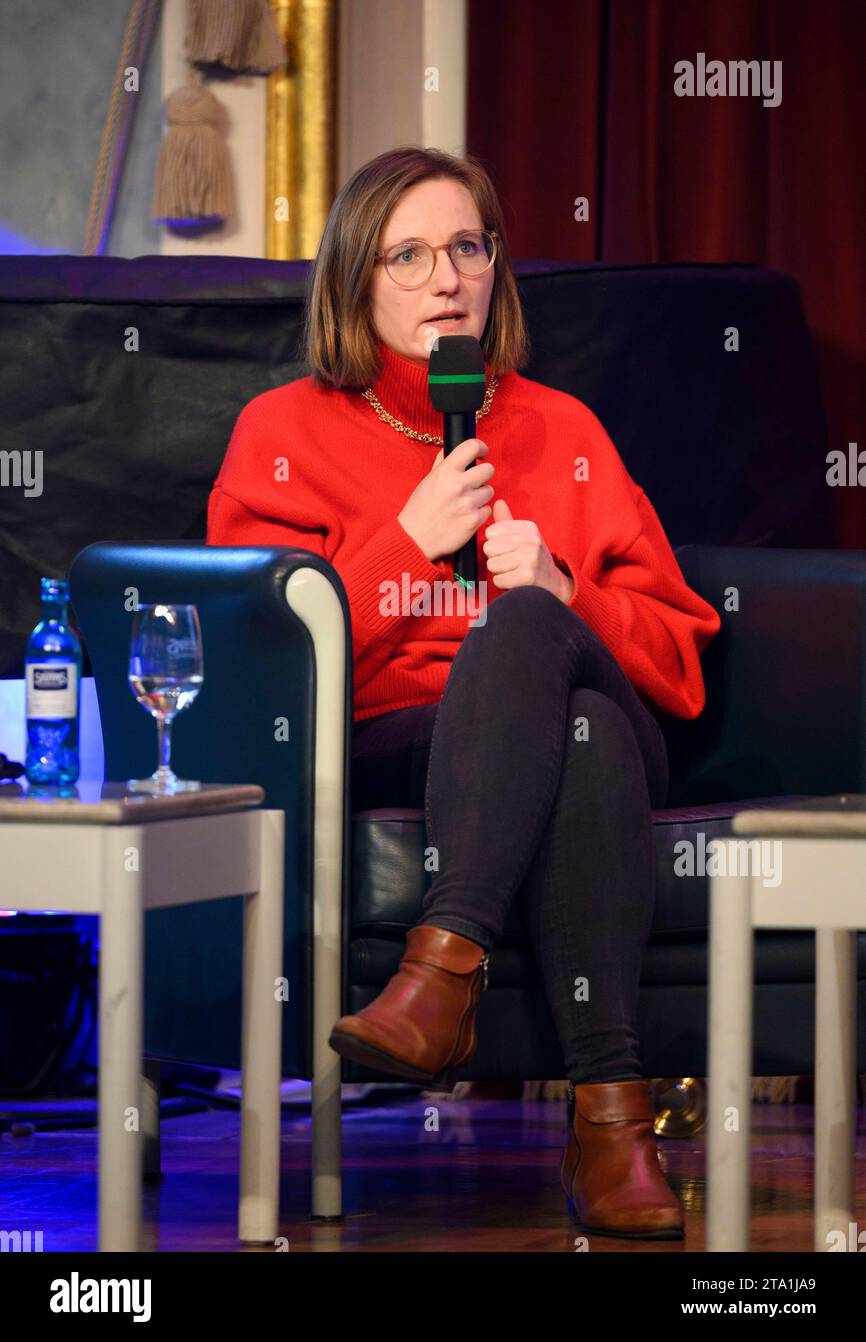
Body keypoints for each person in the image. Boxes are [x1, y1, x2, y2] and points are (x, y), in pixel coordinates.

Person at [206, 145, 721, 1241]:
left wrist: (565, 592)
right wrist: (404, 541)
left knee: (535, 625)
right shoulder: (282, 436)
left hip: (614, 715)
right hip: (397, 737)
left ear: (495, 270)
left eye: (467, 247)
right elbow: (253, 677)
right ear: (355, 280)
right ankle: (610, 1120)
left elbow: (676, 657)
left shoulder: (563, 429)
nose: (446, 279)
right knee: (575, 733)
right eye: (408, 255)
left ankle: (439, 975)